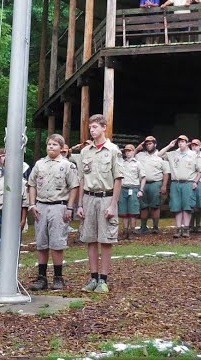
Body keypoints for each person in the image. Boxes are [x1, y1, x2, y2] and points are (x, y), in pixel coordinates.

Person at [71, 114, 123, 293]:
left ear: (104, 127)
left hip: (106, 197)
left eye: (95, 127)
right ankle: (93, 277)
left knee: (106, 239)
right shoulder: (85, 152)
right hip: (88, 198)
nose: (92, 130)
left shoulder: (113, 150)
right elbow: (82, 179)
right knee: (90, 238)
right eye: (90, 128)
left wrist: (113, 205)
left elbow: (118, 178)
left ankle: (103, 279)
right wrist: (80, 204)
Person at [27, 133, 79, 292]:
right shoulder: (39, 164)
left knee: (57, 243)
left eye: (55, 144)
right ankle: (41, 277)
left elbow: (74, 187)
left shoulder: (67, 165)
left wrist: (70, 207)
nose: (51, 147)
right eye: (49, 144)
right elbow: (32, 184)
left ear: (62, 148)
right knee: (41, 243)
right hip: (41, 206)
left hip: (59, 206)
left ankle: (58, 278)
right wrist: (32, 204)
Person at [160, 135, 201, 238]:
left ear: (187, 143)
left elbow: (200, 170)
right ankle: (178, 229)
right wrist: (170, 145)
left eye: (183, 141)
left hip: (188, 183)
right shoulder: (173, 154)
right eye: (179, 142)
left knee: (187, 207)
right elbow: (159, 154)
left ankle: (186, 229)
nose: (180, 143)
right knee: (176, 207)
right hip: (176, 183)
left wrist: (196, 182)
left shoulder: (193, 154)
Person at [134, 136, 166, 234]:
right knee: (143, 206)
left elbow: (166, 172)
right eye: (147, 144)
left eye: (150, 143)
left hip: (155, 183)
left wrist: (164, 185)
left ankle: (155, 227)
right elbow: (130, 156)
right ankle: (143, 227)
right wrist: (137, 148)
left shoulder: (161, 155)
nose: (148, 145)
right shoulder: (140, 155)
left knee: (155, 206)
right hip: (143, 184)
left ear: (155, 144)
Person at [118, 144, 144, 240]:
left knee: (133, 211)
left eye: (129, 151)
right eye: (126, 151)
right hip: (123, 188)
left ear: (133, 152)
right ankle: (125, 231)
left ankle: (132, 231)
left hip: (133, 188)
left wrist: (141, 190)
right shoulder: (121, 163)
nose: (127, 153)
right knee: (123, 211)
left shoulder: (138, 163)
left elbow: (143, 177)